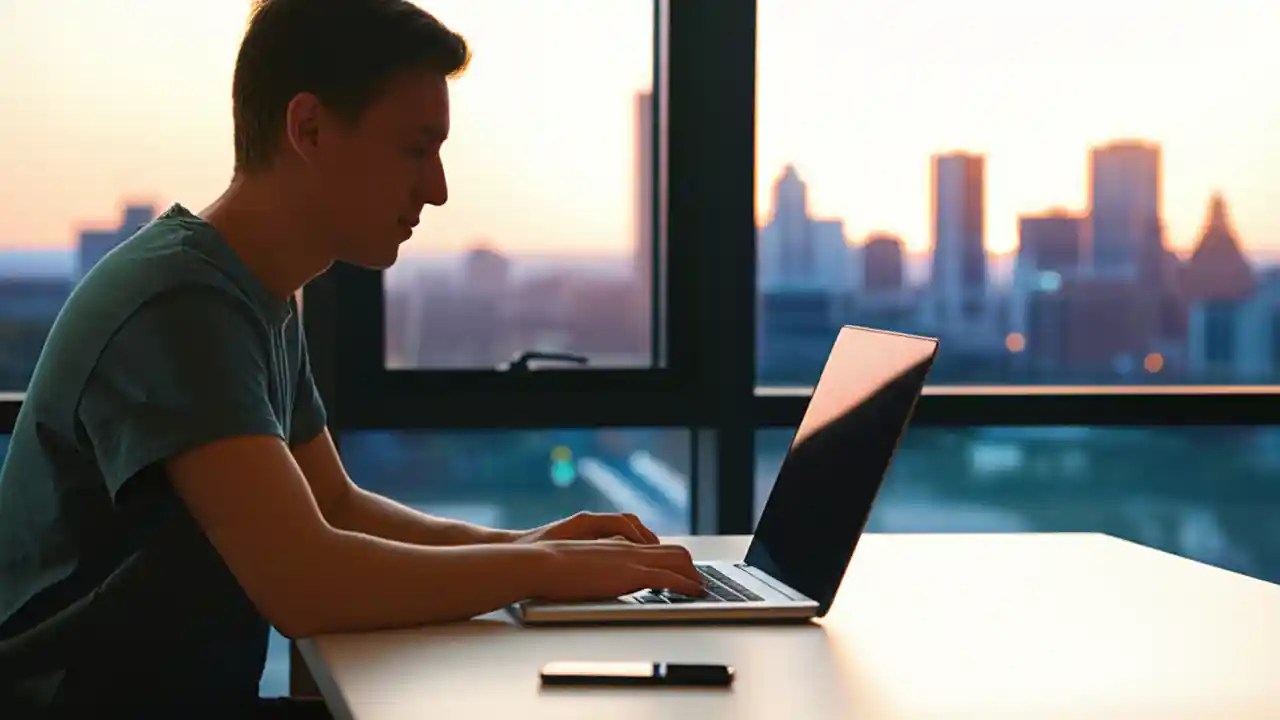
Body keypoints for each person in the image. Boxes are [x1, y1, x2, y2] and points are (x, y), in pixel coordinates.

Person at [0, 0, 703, 716]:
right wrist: (540, 569)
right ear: (308, 128)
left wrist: (523, 545)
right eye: (414, 148)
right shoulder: (180, 304)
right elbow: (307, 584)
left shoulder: (257, 293)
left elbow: (333, 507)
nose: (438, 189)